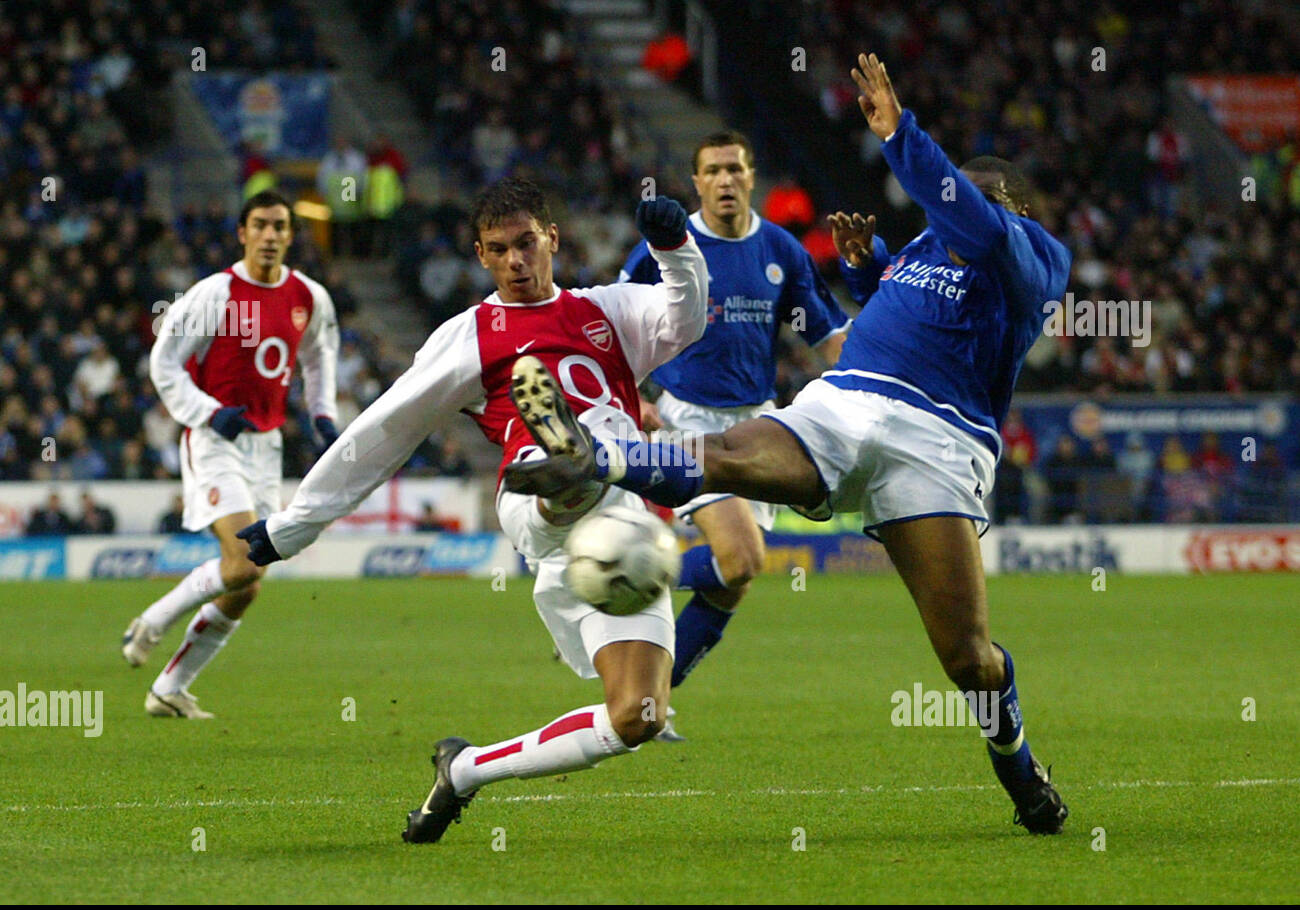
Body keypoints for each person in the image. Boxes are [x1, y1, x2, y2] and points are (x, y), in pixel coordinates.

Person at [506, 54, 1071, 834]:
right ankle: (599, 458)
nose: (960, 211)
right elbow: (901, 315)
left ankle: (1016, 762)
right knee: (729, 456)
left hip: (937, 443)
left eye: (976, 200)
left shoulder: (1035, 255)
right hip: (844, 401)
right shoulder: (926, 251)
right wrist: (871, 269)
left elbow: (972, 232)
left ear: (1012, 206)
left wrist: (900, 135)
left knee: (968, 659)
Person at [237, 177, 708, 843]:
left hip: (625, 532)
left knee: (640, 717)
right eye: (499, 251)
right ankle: (567, 467)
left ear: (551, 238)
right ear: (480, 257)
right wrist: (293, 525)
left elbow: (685, 322)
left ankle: (464, 770)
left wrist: (676, 249)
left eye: (526, 245)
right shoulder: (470, 335)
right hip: (532, 501)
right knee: (567, 477)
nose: (516, 262)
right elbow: (383, 431)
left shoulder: (608, 311)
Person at [619, 130, 850, 694]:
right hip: (686, 422)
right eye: (714, 171)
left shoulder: (781, 250)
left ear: (751, 177)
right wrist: (635, 400)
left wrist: (872, 386)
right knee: (742, 557)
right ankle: (617, 571)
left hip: (757, 424)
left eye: (735, 169)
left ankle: (648, 699)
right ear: (697, 183)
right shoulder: (668, 246)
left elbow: (828, 334)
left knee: (730, 583)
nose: (725, 180)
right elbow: (614, 327)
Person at [120, 190, 340, 719]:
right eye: (260, 225)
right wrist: (206, 411)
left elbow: (319, 358)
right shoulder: (214, 293)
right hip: (215, 440)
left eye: (279, 226)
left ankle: (169, 688)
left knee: (249, 580)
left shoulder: (309, 297)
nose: (269, 235)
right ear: (242, 233)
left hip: (266, 447)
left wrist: (323, 416)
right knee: (242, 561)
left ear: (291, 235)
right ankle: (153, 619)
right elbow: (164, 362)